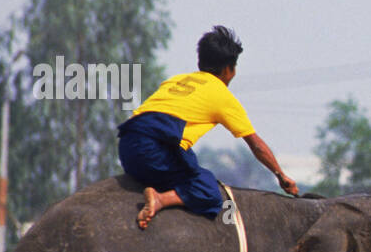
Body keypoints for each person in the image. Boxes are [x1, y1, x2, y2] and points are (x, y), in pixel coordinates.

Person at [117, 25, 299, 228]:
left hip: (126, 147)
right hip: (154, 151)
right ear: (228, 69)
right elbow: (256, 145)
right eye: (234, 68)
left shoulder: (176, 80)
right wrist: (280, 175)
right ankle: (161, 199)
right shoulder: (221, 95)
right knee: (209, 191)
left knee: (186, 162)